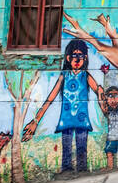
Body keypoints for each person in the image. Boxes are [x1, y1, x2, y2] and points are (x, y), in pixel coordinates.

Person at [22, 39, 102, 172]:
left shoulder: (86, 76)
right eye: (74, 56)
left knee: (82, 146)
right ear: (68, 58)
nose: (77, 60)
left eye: (80, 56)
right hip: (66, 120)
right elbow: (50, 98)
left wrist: (104, 97)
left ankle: (82, 170)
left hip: (82, 120)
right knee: (66, 147)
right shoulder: (64, 76)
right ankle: (66, 169)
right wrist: (36, 120)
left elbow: (98, 91)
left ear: (85, 58)